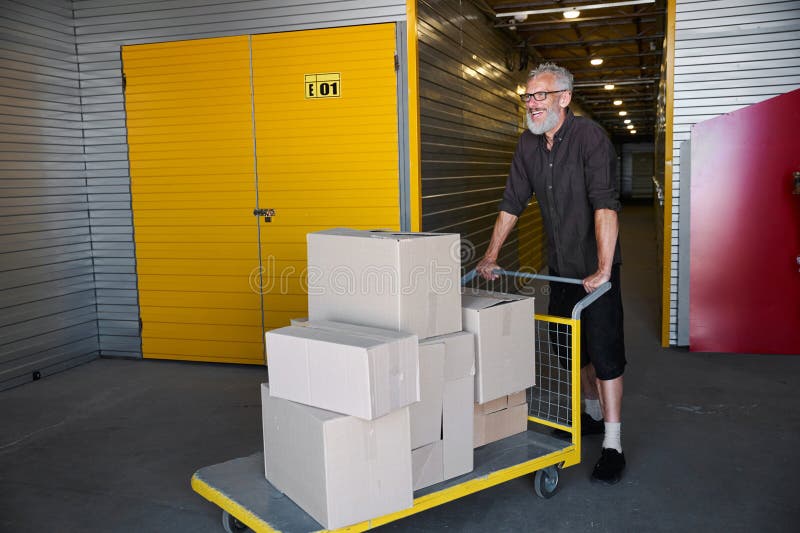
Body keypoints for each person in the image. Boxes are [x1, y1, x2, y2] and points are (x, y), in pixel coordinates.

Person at [476, 62, 627, 485]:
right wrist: (490, 255)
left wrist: (601, 268)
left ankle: (613, 443)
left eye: (540, 95)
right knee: (570, 351)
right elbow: (512, 201)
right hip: (560, 268)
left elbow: (605, 205)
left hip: (597, 271)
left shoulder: (590, 138)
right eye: (527, 96)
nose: (532, 103)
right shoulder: (527, 144)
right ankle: (591, 415)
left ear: (564, 98)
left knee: (606, 353)